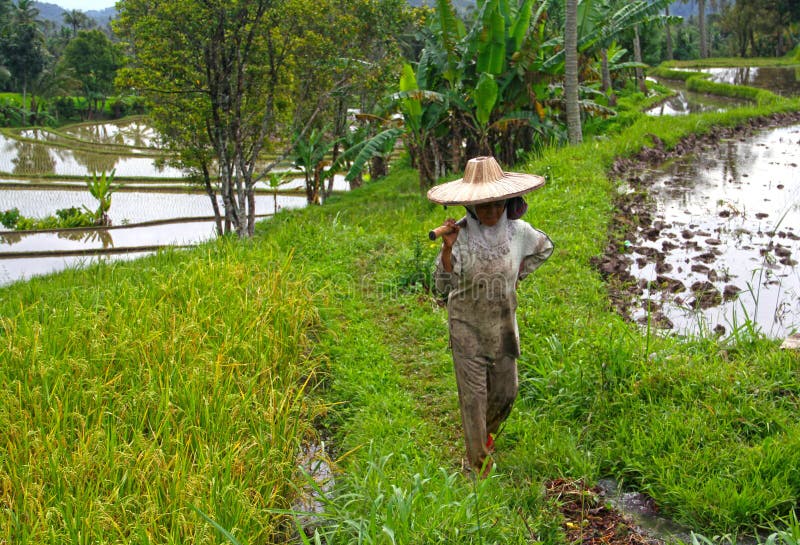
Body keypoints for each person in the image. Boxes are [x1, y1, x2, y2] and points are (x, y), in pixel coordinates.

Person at [428, 156, 553, 476]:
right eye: (484, 205)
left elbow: (544, 248)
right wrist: (446, 249)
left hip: (501, 323)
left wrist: (518, 274)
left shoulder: (519, 232)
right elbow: (440, 285)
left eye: (497, 204)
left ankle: (484, 434)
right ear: (471, 205)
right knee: (473, 400)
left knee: (506, 392)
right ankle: (478, 467)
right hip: (466, 325)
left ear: (507, 201)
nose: (492, 211)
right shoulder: (460, 234)